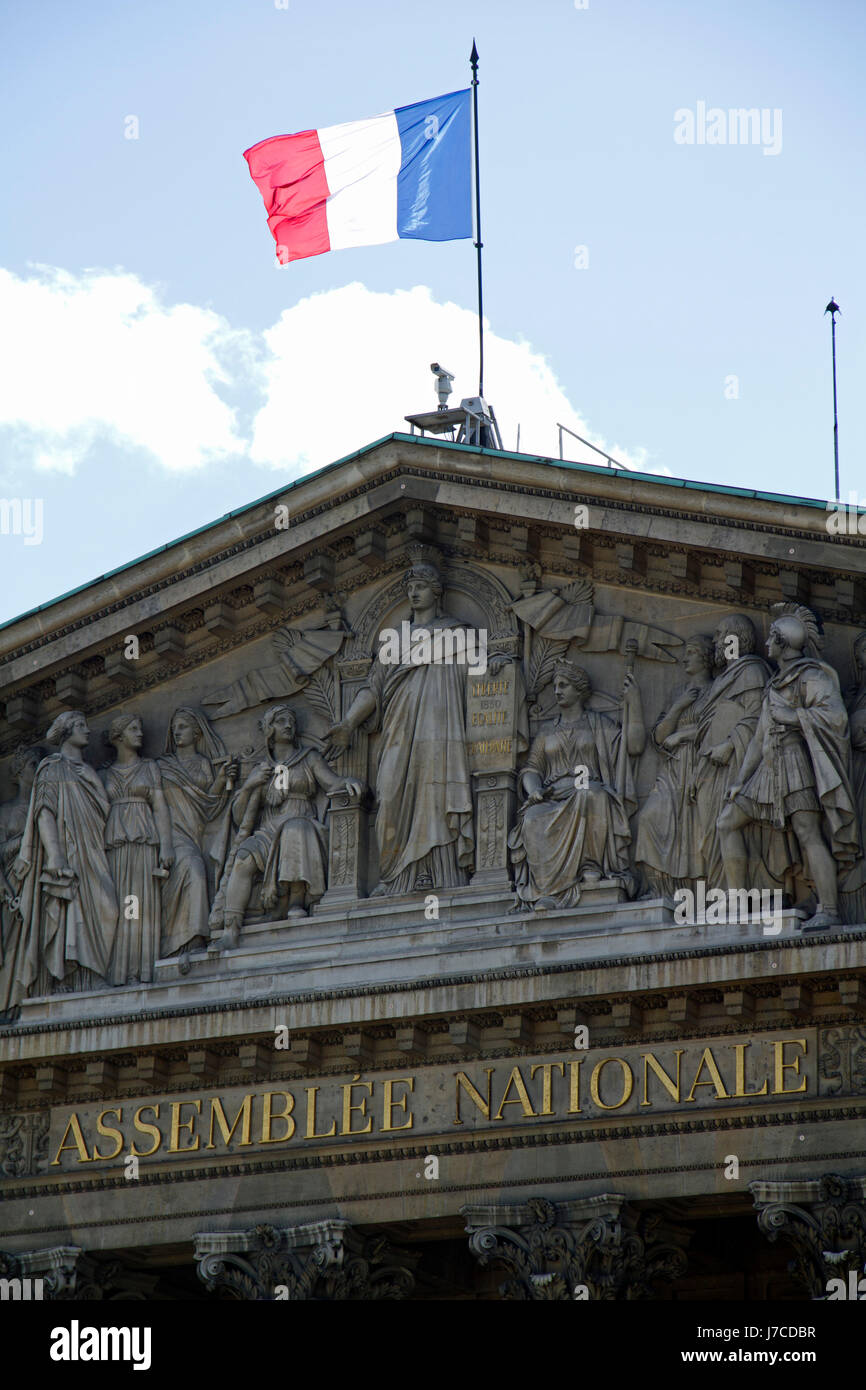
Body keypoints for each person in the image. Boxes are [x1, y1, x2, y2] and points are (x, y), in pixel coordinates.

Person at [326, 562, 479, 896]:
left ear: (436, 591)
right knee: (390, 793)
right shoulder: (394, 641)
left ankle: (441, 875)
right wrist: (348, 722)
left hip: (442, 731)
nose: (413, 592)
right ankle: (394, 878)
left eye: (420, 586)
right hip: (398, 730)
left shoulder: (458, 635)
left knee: (437, 796)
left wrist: (497, 665)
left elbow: (479, 680)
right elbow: (372, 687)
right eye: (409, 587)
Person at [718, 606, 860, 932]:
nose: (766, 643)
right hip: (768, 767)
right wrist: (740, 780)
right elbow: (757, 738)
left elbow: (836, 718)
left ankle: (830, 910)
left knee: (809, 833)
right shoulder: (775, 683)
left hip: (796, 765)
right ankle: (737, 903)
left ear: (783, 643)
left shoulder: (812, 676)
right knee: (727, 821)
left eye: (772, 638)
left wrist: (794, 718)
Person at [210, 704, 362, 950]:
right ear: (269, 729)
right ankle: (230, 929)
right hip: (268, 832)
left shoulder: (309, 757)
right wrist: (249, 785)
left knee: (294, 829)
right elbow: (239, 818)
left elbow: (332, 783)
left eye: (291, 720)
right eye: (281, 721)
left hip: (303, 824)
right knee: (243, 857)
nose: (289, 725)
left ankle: (296, 901)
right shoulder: (262, 768)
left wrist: (350, 782)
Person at [508, 659, 645, 909]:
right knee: (531, 818)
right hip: (552, 795)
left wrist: (633, 702)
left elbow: (634, 746)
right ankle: (547, 889)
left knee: (591, 795)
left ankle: (590, 866)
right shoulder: (547, 731)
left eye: (564, 685)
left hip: (587, 789)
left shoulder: (598, 724)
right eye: (555, 685)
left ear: (579, 689)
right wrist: (534, 789)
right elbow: (531, 768)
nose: (557, 690)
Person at [9, 711, 118, 1006]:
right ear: (66, 732)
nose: (89, 731)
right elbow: (45, 812)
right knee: (71, 909)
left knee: (108, 906)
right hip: (68, 852)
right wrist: (55, 854)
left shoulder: (89, 771)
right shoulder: (52, 768)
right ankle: (68, 977)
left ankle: (94, 971)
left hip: (94, 851)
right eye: (81, 726)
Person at [635, 635, 714, 896]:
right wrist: (677, 709)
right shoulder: (677, 693)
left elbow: (720, 728)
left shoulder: (718, 689)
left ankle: (700, 892)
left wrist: (682, 735)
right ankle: (661, 889)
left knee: (698, 830)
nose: (684, 658)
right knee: (648, 818)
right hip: (673, 769)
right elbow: (659, 736)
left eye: (691, 652)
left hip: (703, 766)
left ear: (705, 656)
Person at [158, 707, 237, 961]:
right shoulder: (162, 766)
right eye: (175, 728)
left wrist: (223, 778)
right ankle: (188, 940)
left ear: (197, 731)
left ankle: (187, 939)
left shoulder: (203, 764)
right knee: (194, 869)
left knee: (194, 869)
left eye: (183, 726)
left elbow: (208, 803)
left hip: (194, 831)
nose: (176, 731)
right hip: (168, 834)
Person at [100, 713, 174, 984]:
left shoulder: (149, 767)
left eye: (140, 728)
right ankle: (118, 971)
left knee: (138, 903)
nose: (140, 734)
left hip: (144, 843)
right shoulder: (103, 774)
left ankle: (142, 969)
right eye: (133, 729)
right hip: (115, 846)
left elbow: (160, 806)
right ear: (118, 736)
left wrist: (166, 844)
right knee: (120, 905)